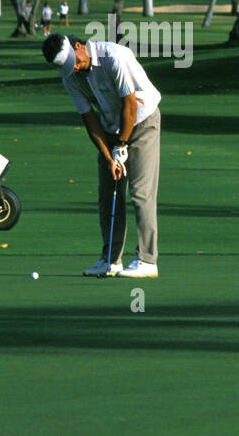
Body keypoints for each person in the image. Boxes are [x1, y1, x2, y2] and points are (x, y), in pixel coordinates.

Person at [43, 32, 161, 278]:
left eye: (74, 61)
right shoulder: (70, 77)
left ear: (79, 46)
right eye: (67, 67)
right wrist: (109, 157)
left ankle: (147, 260)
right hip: (110, 128)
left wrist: (122, 145)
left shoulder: (114, 56)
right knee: (108, 195)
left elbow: (131, 104)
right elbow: (90, 119)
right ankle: (111, 260)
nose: (74, 68)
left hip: (142, 120)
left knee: (140, 192)